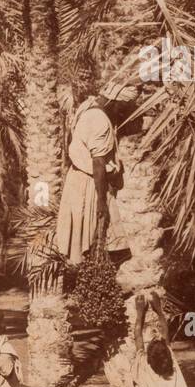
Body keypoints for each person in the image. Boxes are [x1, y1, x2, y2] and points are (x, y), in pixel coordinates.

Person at [54, 82, 135, 264]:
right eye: (122, 107)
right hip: (91, 182)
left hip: (78, 178)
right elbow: (98, 161)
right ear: (113, 102)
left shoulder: (87, 107)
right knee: (100, 240)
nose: (121, 113)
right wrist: (100, 201)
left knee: (96, 240)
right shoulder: (101, 121)